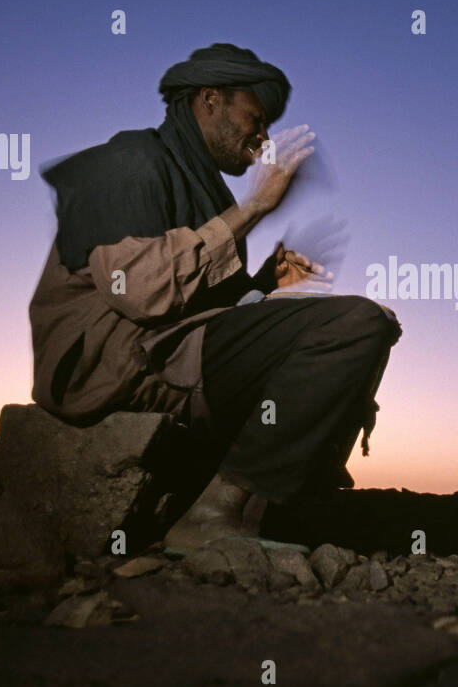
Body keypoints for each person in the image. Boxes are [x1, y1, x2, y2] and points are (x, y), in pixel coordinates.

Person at [28, 43, 401, 552]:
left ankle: (264, 513)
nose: (263, 136)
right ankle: (210, 515)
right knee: (354, 323)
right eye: (256, 118)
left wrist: (264, 285)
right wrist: (254, 208)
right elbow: (137, 291)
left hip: (170, 351)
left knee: (373, 323)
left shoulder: (206, 191)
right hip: (109, 361)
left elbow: (201, 310)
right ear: (209, 99)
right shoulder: (128, 160)